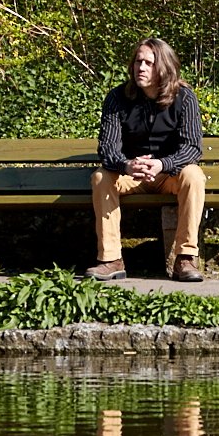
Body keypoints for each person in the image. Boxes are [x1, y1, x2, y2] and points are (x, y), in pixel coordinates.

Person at [87, 37, 206, 282]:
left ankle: (185, 258)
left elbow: (192, 148)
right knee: (100, 177)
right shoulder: (117, 98)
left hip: (169, 174)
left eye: (149, 63)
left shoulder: (184, 98)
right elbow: (107, 148)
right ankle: (111, 259)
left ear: (164, 67)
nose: (141, 68)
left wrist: (163, 164)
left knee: (194, 175)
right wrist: (127, 165)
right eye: (138, 62)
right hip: (130, 174)